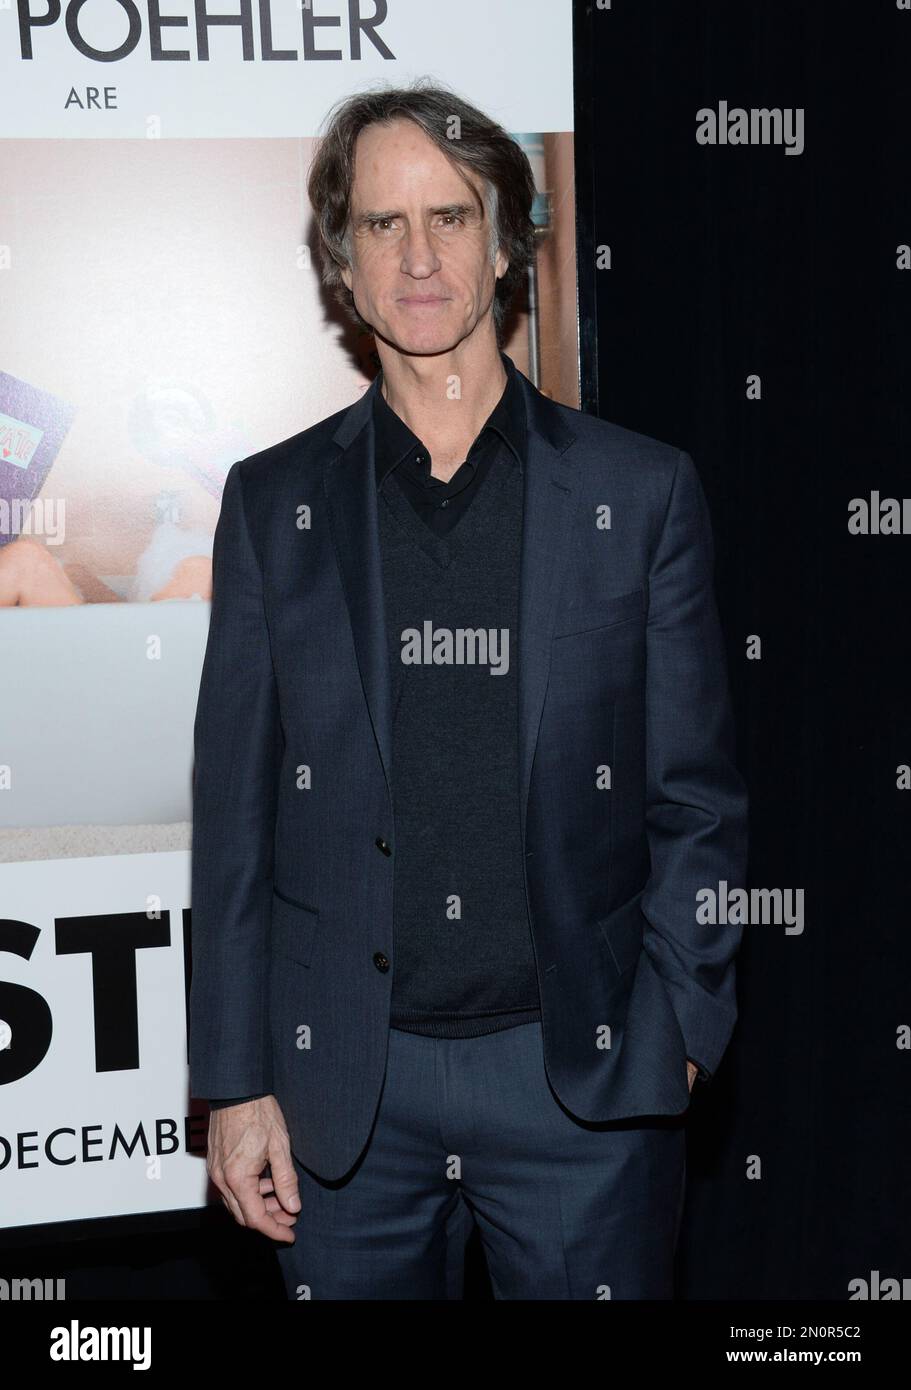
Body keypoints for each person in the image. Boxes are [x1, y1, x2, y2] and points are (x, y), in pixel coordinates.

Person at [188, 79, 749, 1300]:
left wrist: (683, 1033)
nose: (419, 254)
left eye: (449, 215)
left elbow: (694, 796)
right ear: (343, 265)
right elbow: (234, 822)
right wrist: (233, 1082)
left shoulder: (636, 495)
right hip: (345, 1101)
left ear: (505, 244)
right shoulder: (271, 505)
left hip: (579, 1087)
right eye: (382, 224)